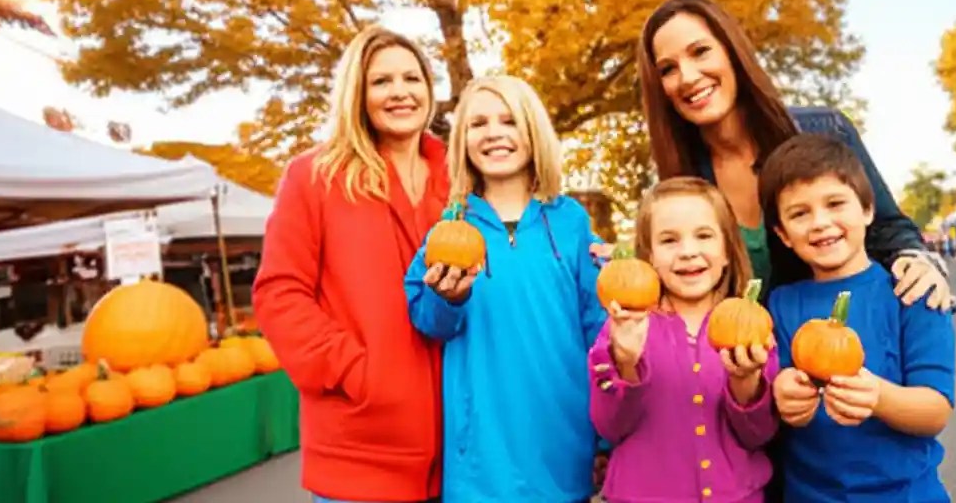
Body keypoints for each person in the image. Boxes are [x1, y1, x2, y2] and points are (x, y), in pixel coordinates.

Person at [637, 0, 954, 308]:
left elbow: (888, 229)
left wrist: (917, 261)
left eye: (701, 52)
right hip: (751, 354)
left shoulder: (824, 130)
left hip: (848, 337)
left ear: (732, 52)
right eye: (667, 69)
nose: (688, 77)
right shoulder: (681, 180)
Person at [252, 27, 448, 503]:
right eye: (382, 82)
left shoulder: (460, 179)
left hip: (460, 450)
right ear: (358, 93)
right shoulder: (315, 176)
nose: (400, 92)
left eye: (412, 78)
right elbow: (279, 292)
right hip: (360, 445)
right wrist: (355, 372)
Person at [404, 75, 607, 503]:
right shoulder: (451, 226)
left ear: (532, 132)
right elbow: (425, 317)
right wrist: (449, 298)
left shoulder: (569, 221)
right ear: (462, 140)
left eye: (509, 120)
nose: (494, 132)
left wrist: (606, 436)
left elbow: (600, 329)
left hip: (562, 438)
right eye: (478, 123)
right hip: (480, 454)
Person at [762, 134, 956, 502]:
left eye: (835, 203)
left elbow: (935, 410)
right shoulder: (781, 304)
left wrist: (879, 397)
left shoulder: (913, 292)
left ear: (867, 209)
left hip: (907, 495)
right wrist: (783, 396)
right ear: (783, 235)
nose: (820, 222)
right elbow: (775, 397)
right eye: (799, 213)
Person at [590, 177, 780, 503]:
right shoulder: (623, 327)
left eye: (704, 236)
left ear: (726, 250)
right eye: (669, 240)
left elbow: (758, 434)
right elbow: (610, 427)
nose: (688, 252)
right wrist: (625, 363)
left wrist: (744, 380)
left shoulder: (752, 326)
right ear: (649, 255)